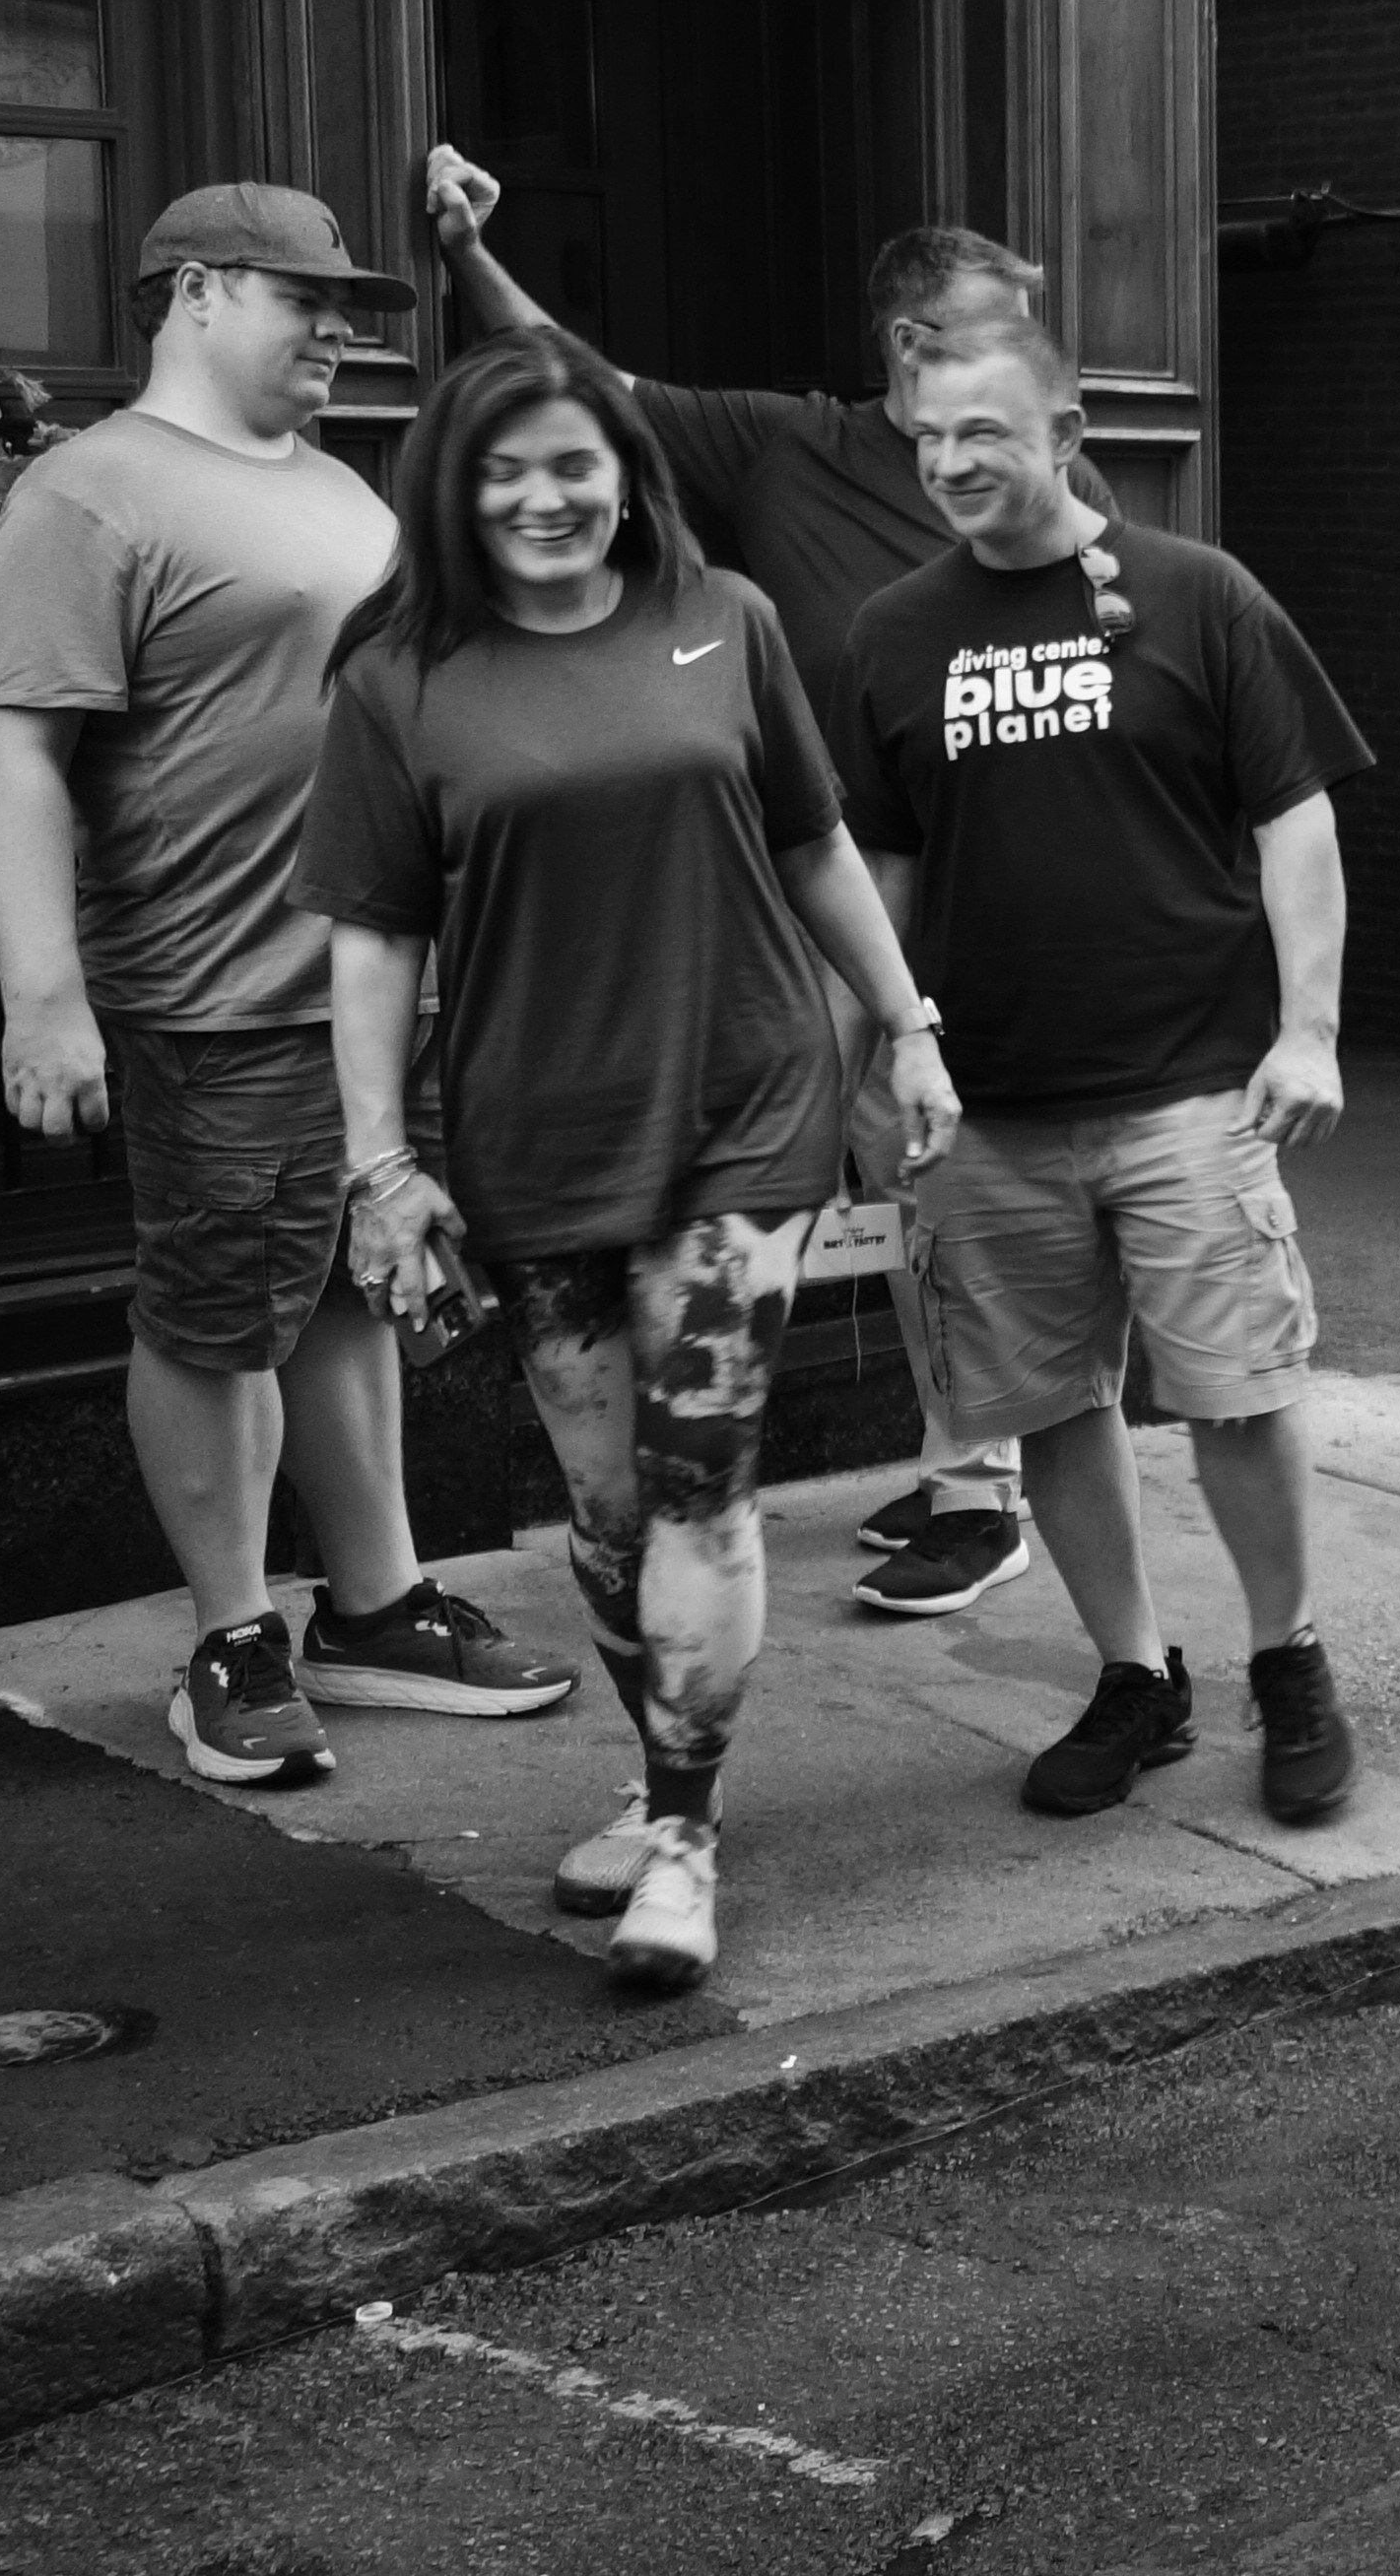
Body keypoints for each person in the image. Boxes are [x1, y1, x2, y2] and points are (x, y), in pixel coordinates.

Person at [300, 333, 961, 1988]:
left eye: (572, 461)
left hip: (743, 1107)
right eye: (505, 467)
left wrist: (907, 1024)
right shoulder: (398, 681)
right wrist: (381, 1164)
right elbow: (375, 941)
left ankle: (684, 1834)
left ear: (624, 471)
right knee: (603, 1515)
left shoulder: (722, 620)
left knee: (700, 1478)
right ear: (453, 489)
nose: (544, 494)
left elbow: (812, 839)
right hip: (534, 1138)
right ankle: (662, 1775)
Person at [0, 184, 576, 1788]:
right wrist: (43, 996)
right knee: (218, 1311)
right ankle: (230, 1641)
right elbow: (18, 754)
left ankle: (372, 1607)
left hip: (375, 991)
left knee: (341, 1287)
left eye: (350, 307)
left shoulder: (339, 491)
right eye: (304, 301)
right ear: (193, 294)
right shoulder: (88, 492)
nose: (340, 332)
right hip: (213, 994)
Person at [423, 151, 1086, 1620]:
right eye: (995, 328)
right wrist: (469, 251)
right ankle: (716, 1484)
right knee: (856, 1162)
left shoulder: (1046, 469)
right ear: (913, 346)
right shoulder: (791, 447)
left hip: (971, 897)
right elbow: (590, 387)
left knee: (939, 1180)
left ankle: (978, 1488)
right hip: (798, 889)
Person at [841, 321, 1377, 1825]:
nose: (950, 465)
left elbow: (1297, 822)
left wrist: (1311, 1028)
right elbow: (875, 865)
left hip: (1192, 1087)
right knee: (1051, 1405)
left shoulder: (1201, 597)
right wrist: (878, 1056)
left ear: (1066, 429)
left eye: (984, 437)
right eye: (929, 439)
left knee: (1239, 1392)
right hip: (989, 1107)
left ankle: (1292, 1662)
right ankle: (1136, 1679)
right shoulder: (892, 630)